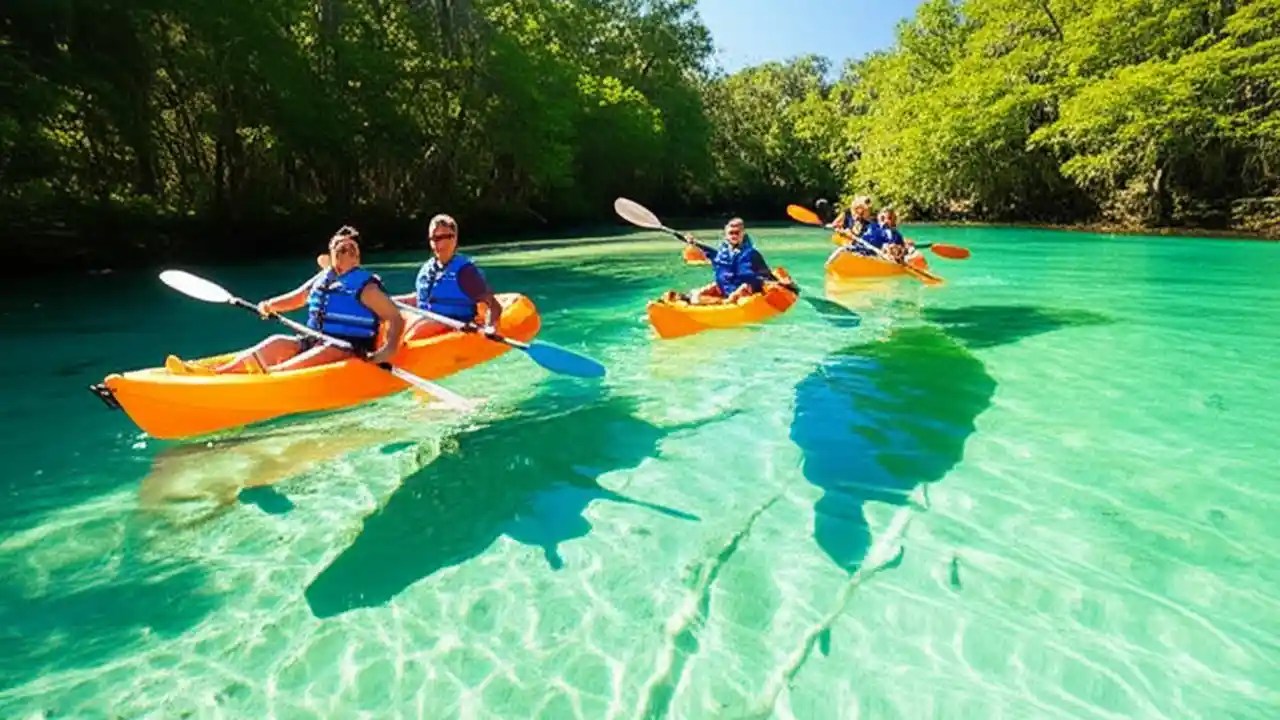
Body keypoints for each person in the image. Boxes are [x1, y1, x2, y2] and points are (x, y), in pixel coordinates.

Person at [164, 226, 404, 375]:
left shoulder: (365, 287)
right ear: (330, 256)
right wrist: (269, 305)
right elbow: (298, 298)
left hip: (345, 347)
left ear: (357, 257)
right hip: (313, 340)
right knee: (277, 341)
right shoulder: (324, 278)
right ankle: (216, 373)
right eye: (339, 246)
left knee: (286, 369)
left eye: (351, 247)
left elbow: (395, 317)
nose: (346, 248)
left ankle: (268, 379)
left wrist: (387, 350)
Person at [392, 213, 503, 340]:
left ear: (454, 239)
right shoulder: (427, 269)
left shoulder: (466, 273)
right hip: (424, 321)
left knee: (416, 329)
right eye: (432, 238)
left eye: (441, 237)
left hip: (452, 326)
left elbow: (494, 306)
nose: (435, 243)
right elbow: (420, 298)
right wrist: (390, 301)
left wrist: (490, 326)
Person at [661, 217, 794, 305]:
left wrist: (783, 284)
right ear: (726, 235)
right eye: (731, 233)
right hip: (725, 289)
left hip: (745, 291)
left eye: (737, 232)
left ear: (743, 234)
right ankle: (691, 299)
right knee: (701, 291)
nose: (734, 235)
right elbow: (703, 250)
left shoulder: (752, 254)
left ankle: (724, 303)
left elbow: (765, 273)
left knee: (743, 288)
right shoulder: (720, 254)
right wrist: (691, 242)